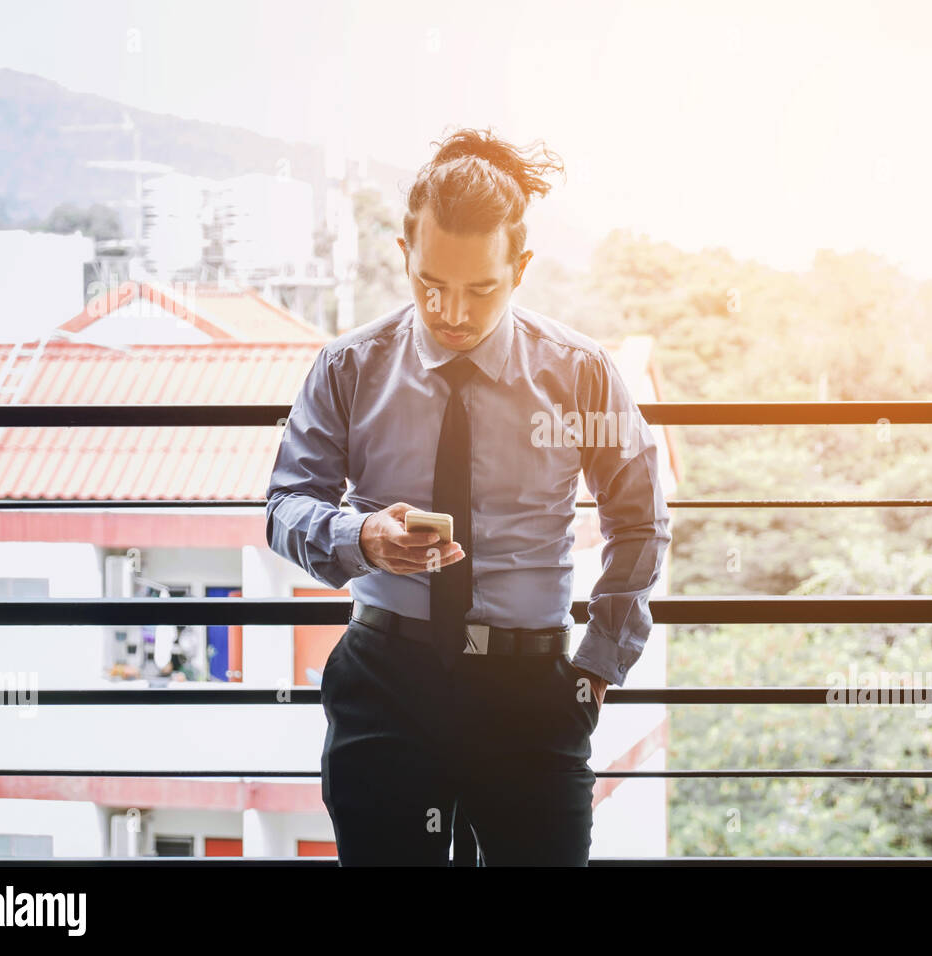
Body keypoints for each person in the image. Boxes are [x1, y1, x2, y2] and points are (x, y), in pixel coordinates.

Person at [265, 126, 672, 866]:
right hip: (386, 682)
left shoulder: (579, 374)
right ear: (404, 255)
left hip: (531, 693)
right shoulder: (349, 368)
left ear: (521, 268)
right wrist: (362, 538)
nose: (451, 311)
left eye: (481, 288)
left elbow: (640, 522)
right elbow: (287, 503)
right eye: (430, 284)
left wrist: (596, 670)